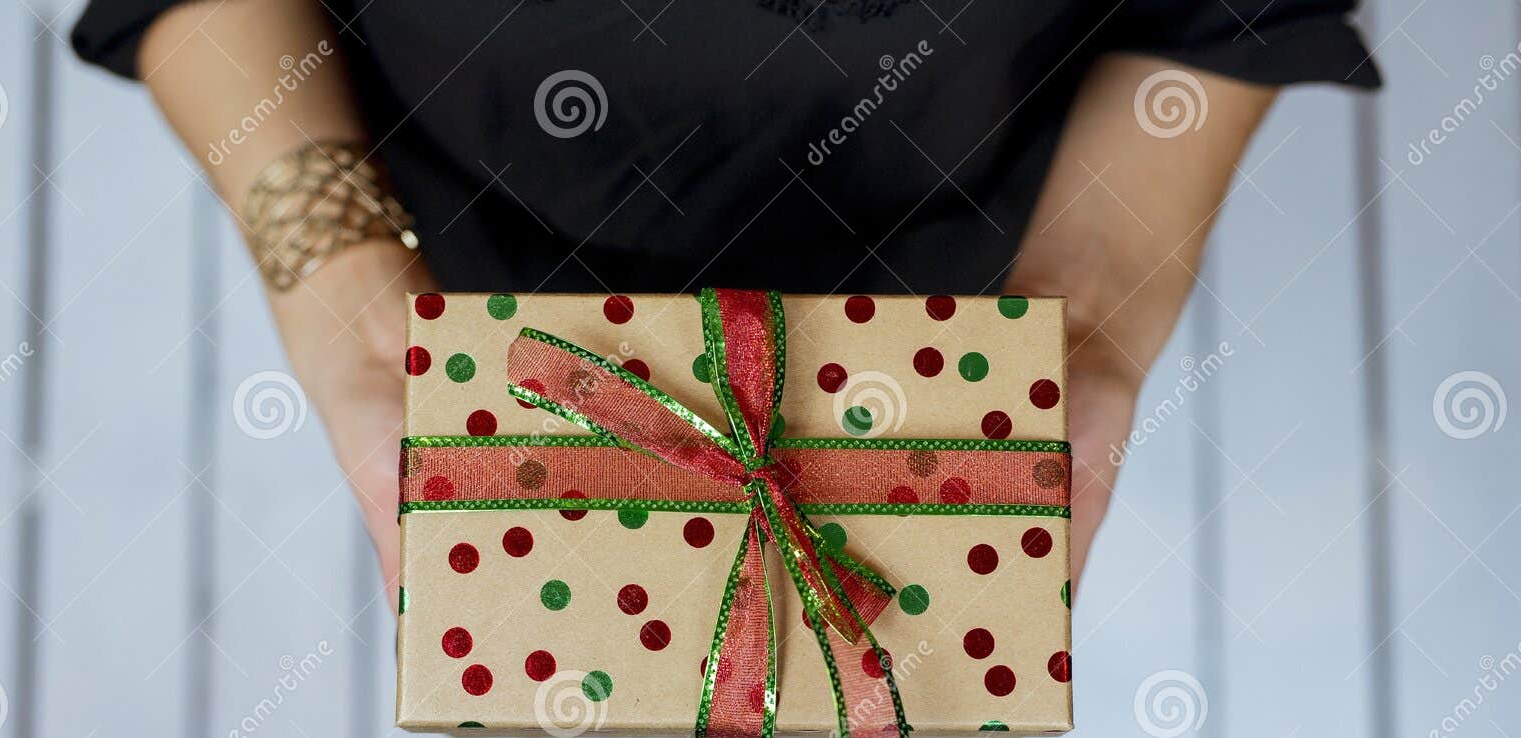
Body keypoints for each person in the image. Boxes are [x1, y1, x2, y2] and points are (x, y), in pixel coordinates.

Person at [72, 0, 1378, 597]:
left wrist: (1083, 324)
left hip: (941, 361)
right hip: (495, 324)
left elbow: (1238, 7)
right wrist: (348, 292)